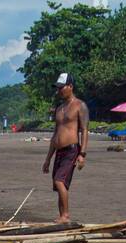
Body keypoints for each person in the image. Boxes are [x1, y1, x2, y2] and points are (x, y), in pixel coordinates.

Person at [42, 73, 89, 223]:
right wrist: (48, 159)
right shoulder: (59, 108)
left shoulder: (79, 105)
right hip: (59, 151)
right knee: (59, 185)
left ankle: (66, 215)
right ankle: (61, 215)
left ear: (70, 87)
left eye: (62, 88)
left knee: (59, 181)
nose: (59, 91)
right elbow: (55, 134)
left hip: (72, 149)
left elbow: (84, 130)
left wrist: (82, 154)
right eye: (58, 88)